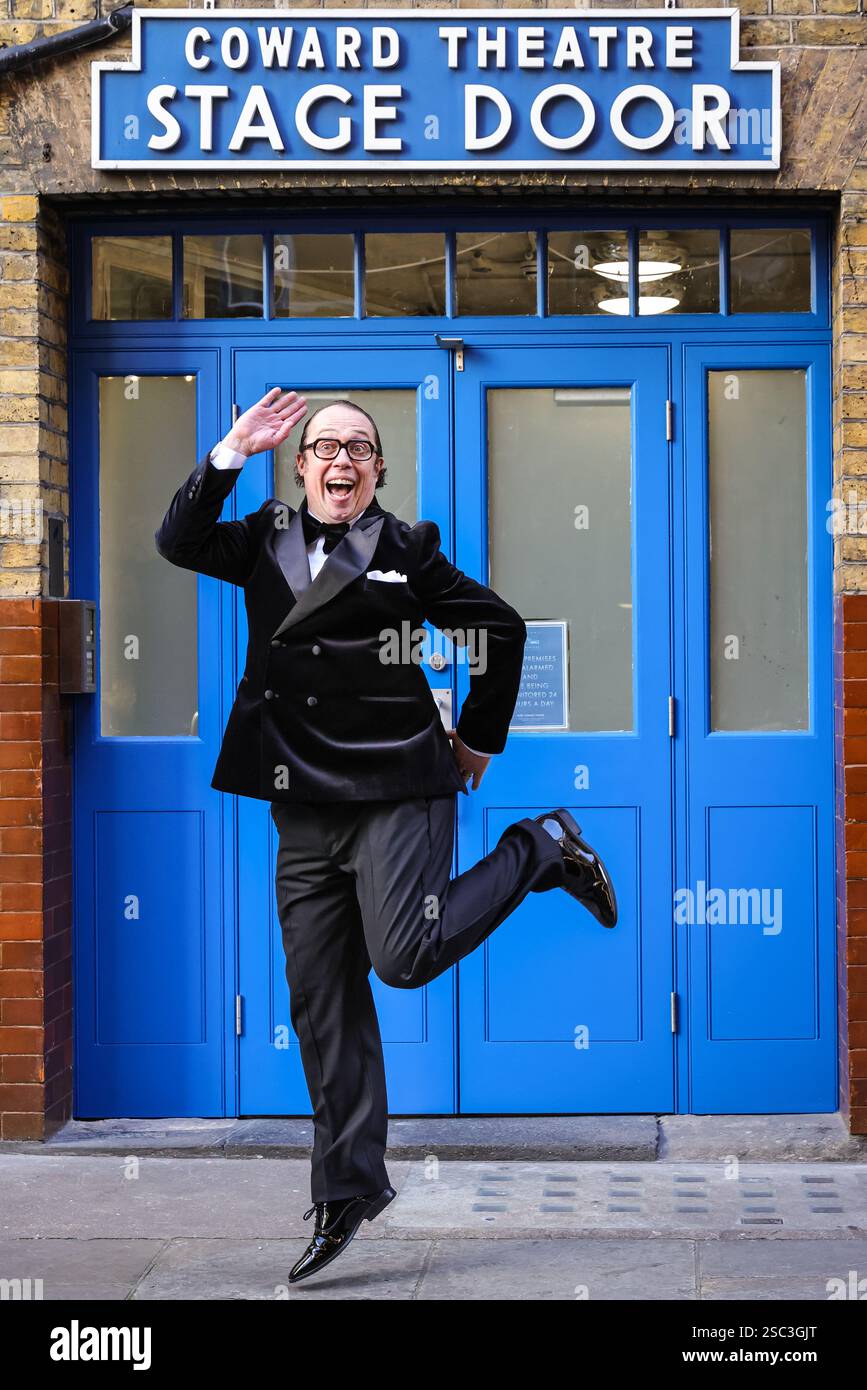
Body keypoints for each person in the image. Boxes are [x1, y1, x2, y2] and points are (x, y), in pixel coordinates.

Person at [155, 386, 617, 1285]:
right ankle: (346, 1189)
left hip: (400, 787)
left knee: (402, 956)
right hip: (300, 797)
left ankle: (542, 848)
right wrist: (229, 451)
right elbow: (176, 541)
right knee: (321, 1000)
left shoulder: (407, 549)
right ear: (300, 465)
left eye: (359, 449)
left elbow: (498, 628)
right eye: (325, 445)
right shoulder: (256, 537)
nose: (342, 460)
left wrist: (477, 736)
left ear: (376, 472)